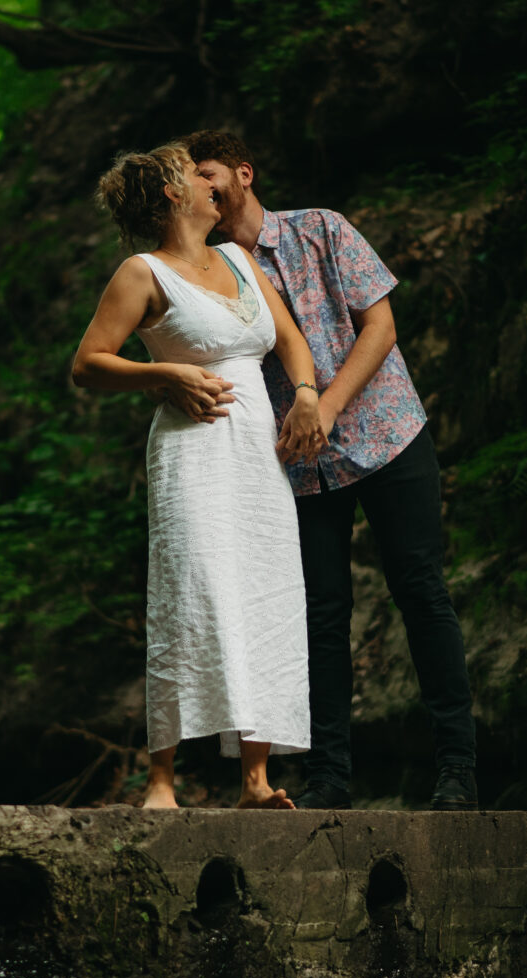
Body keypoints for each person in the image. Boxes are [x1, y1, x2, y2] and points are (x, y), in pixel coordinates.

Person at [181, 129, 479, 812]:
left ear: (244, 173)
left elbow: (381, 327)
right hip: (299, 466)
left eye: (208, 172)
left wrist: (327, 406)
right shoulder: (212, 272)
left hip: (388, 435)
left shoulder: (322, 229)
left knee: (421, 592)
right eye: (190, 179)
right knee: (320, 614)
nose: (201, 187)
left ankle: (457, 770)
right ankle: (329, 780)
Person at [70, 143, 326, 809]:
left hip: (258, 454)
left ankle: (255, 781)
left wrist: (304, 394)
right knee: (191, 594)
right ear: (172, 194)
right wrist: (165, 374)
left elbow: (290, 340)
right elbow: (88, 363)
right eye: (196, 174)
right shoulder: (142, 272)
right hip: (193, 450)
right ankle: (161, 779)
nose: (213, 184)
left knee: (265, 595)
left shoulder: (240, 258)